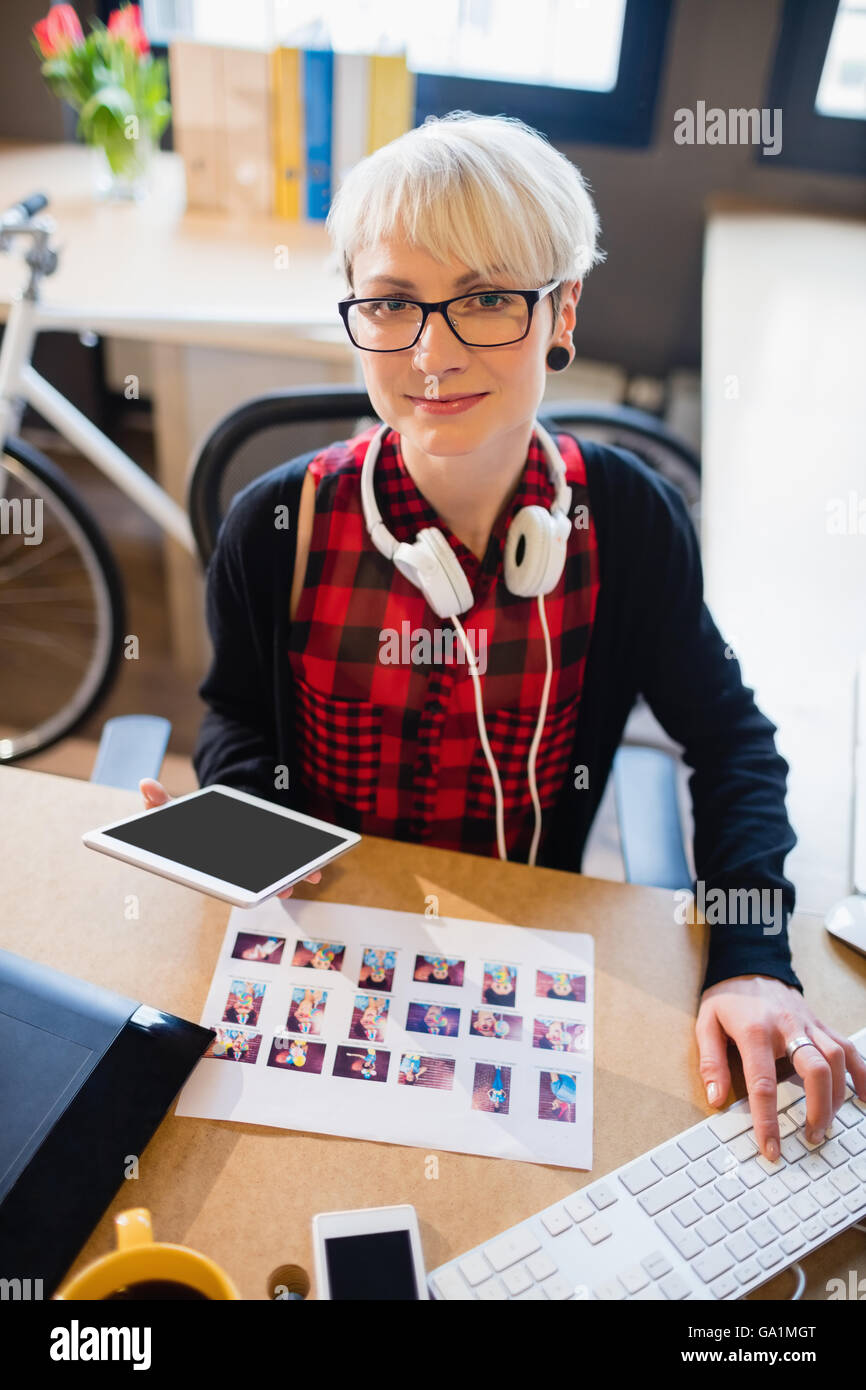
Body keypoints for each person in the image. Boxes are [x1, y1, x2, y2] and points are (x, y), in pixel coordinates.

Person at [139, 111, 866, 1162]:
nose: (431, 352)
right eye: (391, 303)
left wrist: (753, 954)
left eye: (485, 298)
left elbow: (731, 743)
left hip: (528, 962)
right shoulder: (277, 529)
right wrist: (249, 812)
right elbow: (235, 716)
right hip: (334, 954)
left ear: (562, 309)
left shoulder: (624, 523)